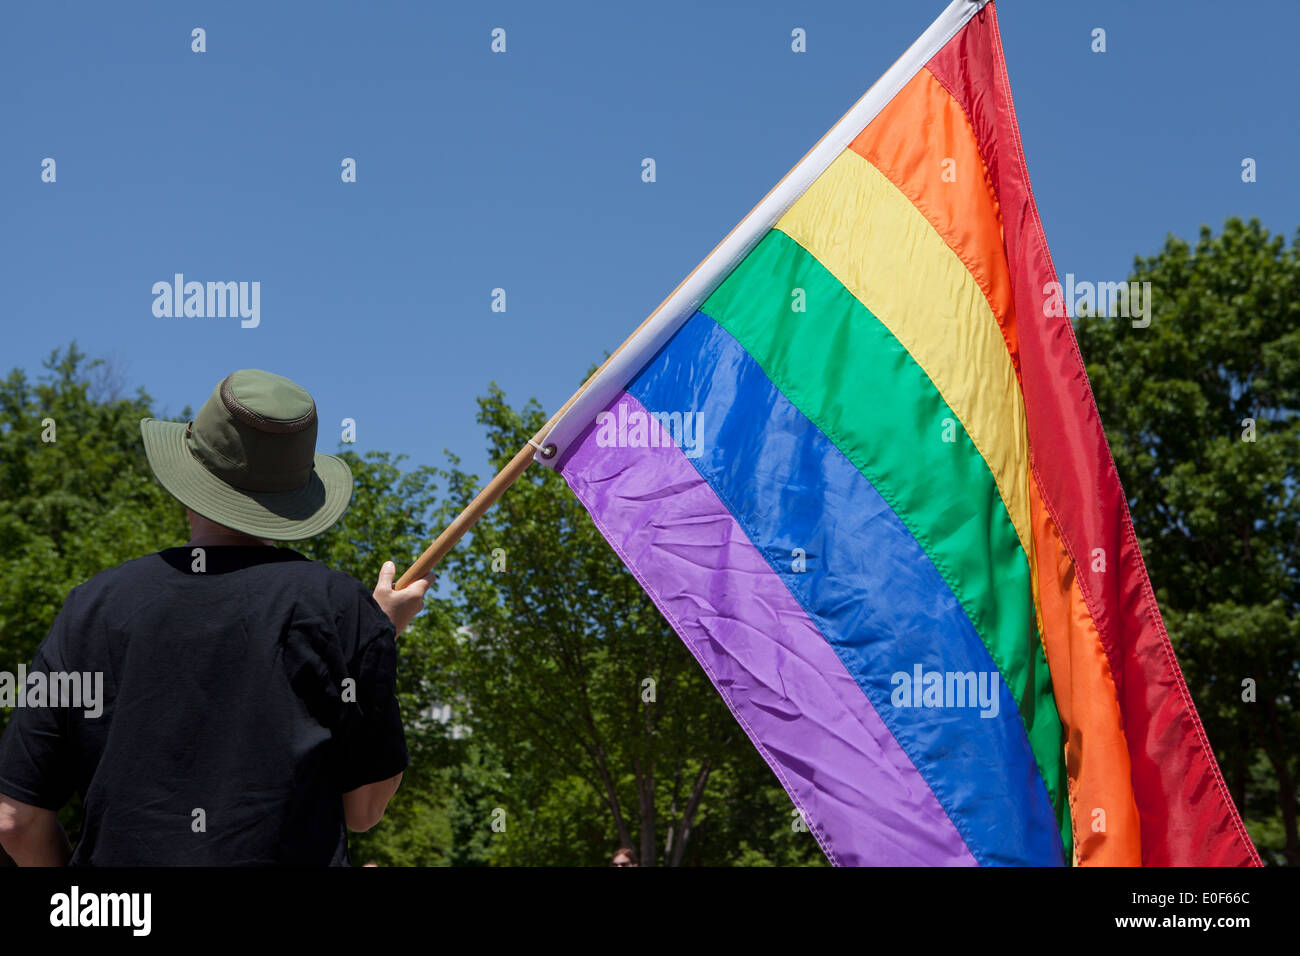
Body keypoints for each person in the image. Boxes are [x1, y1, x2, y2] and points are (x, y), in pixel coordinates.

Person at [0, 369, 434, 866]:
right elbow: (364, 809)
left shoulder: (92, 606)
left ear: (189, 473)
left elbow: (14, 820)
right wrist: (375, 640)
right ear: (296, 491)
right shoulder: (342, 610)